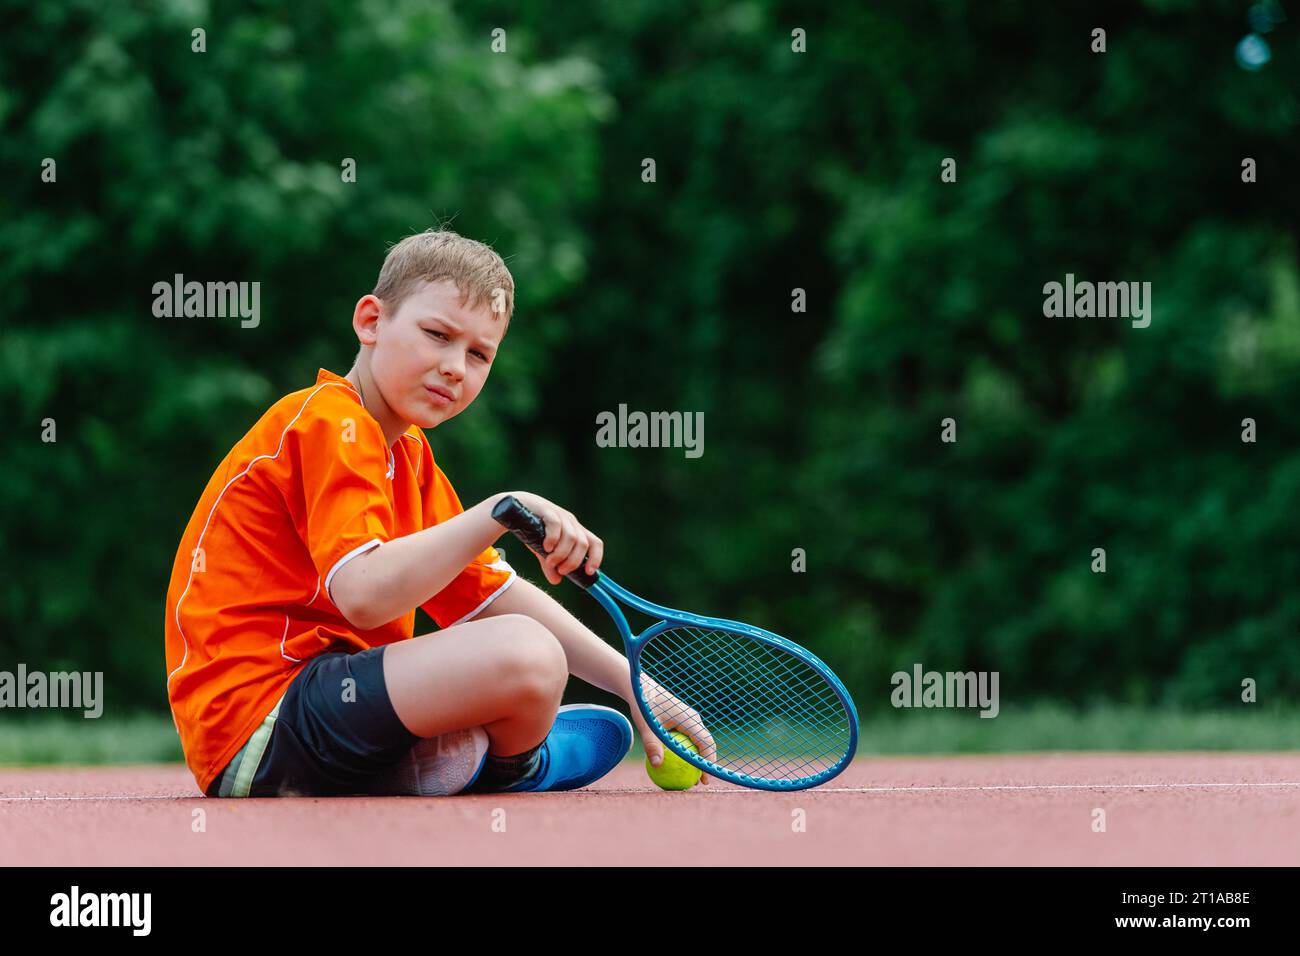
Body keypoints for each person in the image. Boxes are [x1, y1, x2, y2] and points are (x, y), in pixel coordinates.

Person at [164, 228, 703, 797]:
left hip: (327, 727)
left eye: (478, 354)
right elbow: (365, 596)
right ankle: (517, 766)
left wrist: (638, 688)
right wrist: (498, 512)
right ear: (371, 322)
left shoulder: (411, 458)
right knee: (527, 654)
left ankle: (443, 765)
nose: (454, 367)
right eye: (437, 335)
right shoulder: (329, 423)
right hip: (263, 720)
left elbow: (487, 596)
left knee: (522, 649)